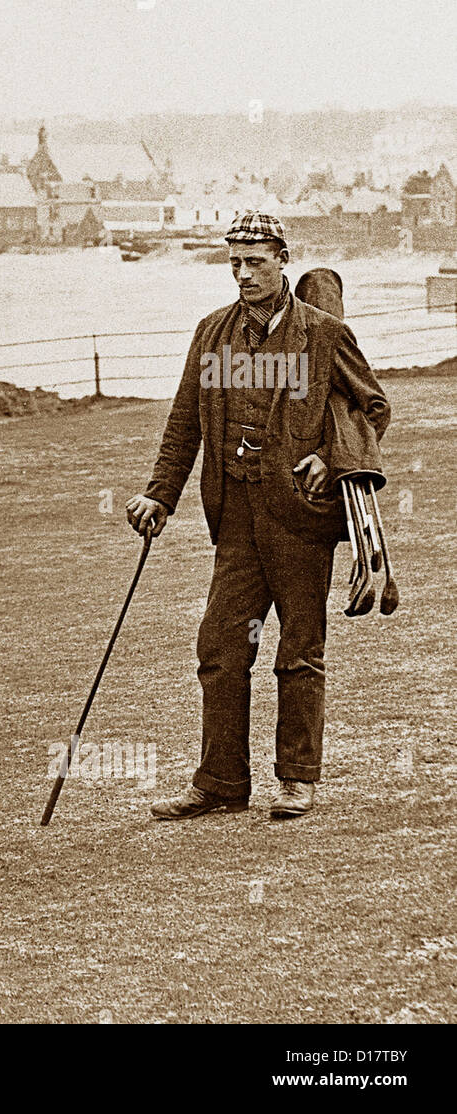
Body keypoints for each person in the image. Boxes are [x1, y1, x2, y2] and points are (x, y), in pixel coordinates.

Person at [126, 213, 389, 820]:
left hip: (301, 517)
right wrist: (159, 495)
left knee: (299, 651)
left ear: (282, 260)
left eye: (256, 262)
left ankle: (297, 778)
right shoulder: (211, 335)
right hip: (237, 518)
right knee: (220, 647)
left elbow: (373, 407)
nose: (244, 274)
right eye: (235, 263)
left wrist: (332, 456)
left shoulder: (323, 335)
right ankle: (220, 782)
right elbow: (184, 422)